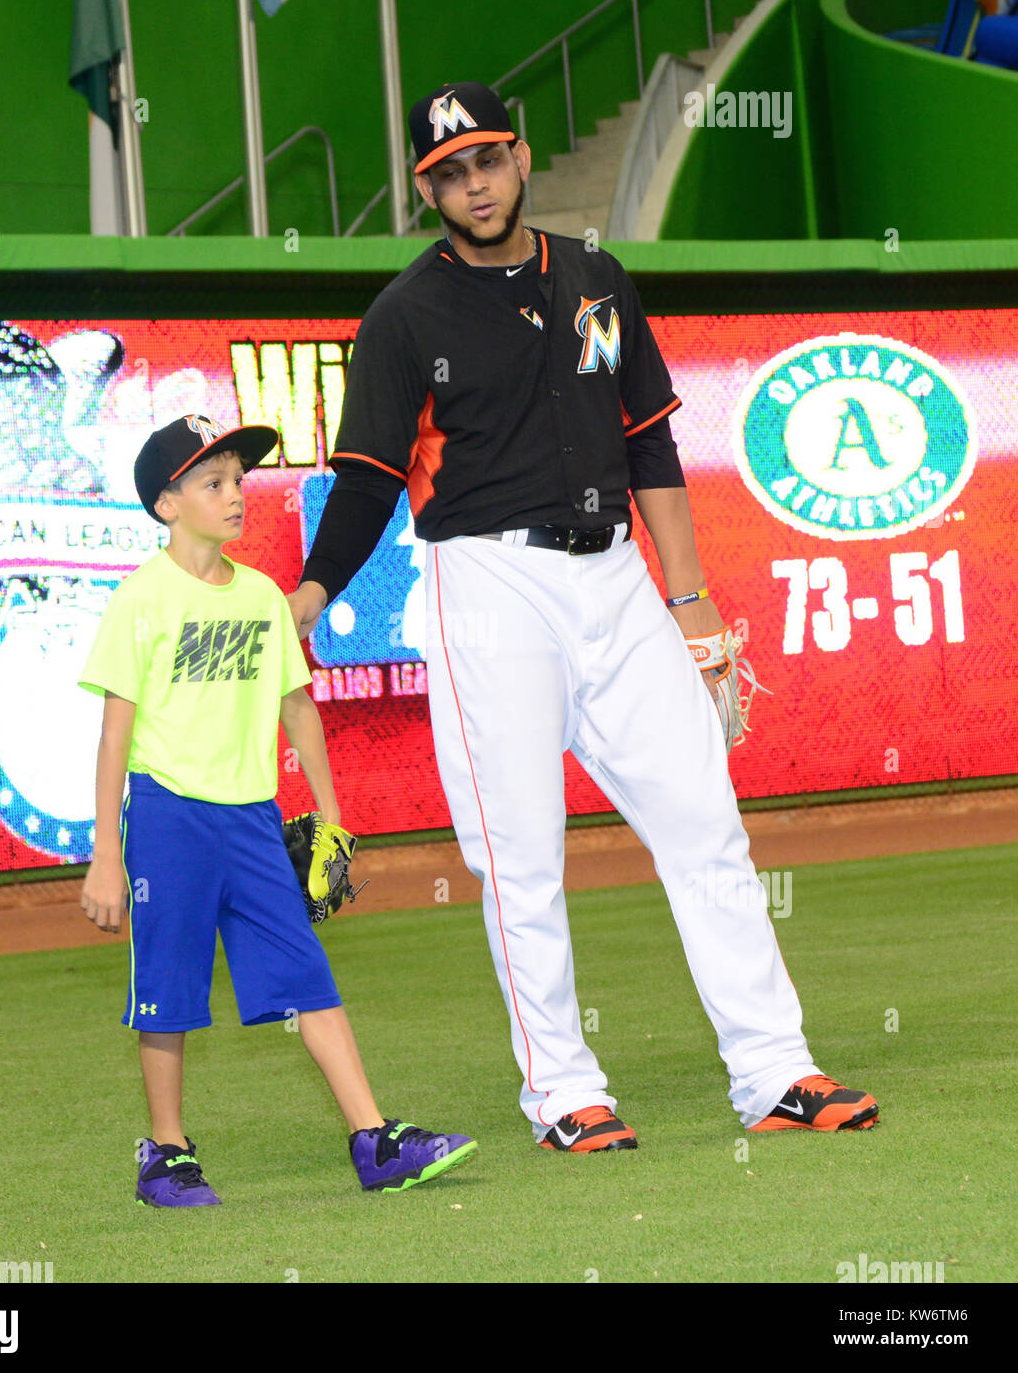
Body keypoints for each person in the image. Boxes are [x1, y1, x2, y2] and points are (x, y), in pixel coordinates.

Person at [286, 83, 879, 1153]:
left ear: (518, 158)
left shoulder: (596, 279)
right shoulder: (402, 317)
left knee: (705, 825)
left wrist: (689, 598)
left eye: (486, 160)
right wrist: (311, 593)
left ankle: (773, 1068)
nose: (472, 184)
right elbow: (369, 478)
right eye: (448, 173)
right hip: (489, 587)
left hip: (613, 579)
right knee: (520, 855)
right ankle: (561, 1090)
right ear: (428, 189)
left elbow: (646, 439)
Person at [78, 412, 477, 1203]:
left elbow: (298, 708)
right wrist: (104, 853)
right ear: (167, 503)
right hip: (168, 816)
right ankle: (166, 1152)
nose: (234, 496)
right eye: (213, 482)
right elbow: (113, 736)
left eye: (237, 480)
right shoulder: (140, 600)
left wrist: (328, 815)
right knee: (168, 988)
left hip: (253, 818)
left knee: (308, 976)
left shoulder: (262, 595)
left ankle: (374, 1140)